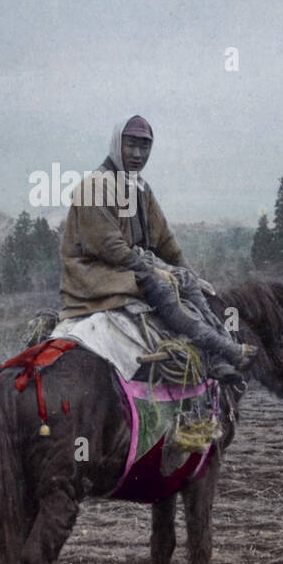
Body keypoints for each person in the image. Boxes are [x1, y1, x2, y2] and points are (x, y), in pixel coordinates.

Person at [58, 115, 254, 383]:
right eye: (131, 145)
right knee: (159, 286)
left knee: (186, 281)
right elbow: (109, 247)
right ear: (117, 145)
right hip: (95, 272)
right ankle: (224, 349)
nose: (138, 154)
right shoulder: (95, 186)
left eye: (145, 146)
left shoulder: (139, 188)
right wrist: (153, 270)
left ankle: (217, 354)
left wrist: (190, 273)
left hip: (128, 265)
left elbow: (165, 241)